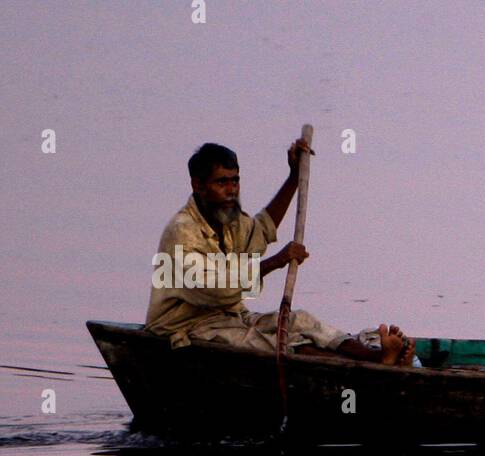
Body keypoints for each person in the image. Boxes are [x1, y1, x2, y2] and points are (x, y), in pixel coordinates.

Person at [146, 139, 415, 365]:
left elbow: (262, 230)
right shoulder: (182, 231)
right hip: (187, 327)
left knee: (303, 321)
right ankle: (373, 364)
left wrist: (294, 178)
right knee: (280, 343)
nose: (231, 190)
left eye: (235, 181)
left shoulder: (228, 219)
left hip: (231, 317)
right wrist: (277, 261)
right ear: (198, 185)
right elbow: (216, 288)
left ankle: (376, 358)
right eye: (222, 183)